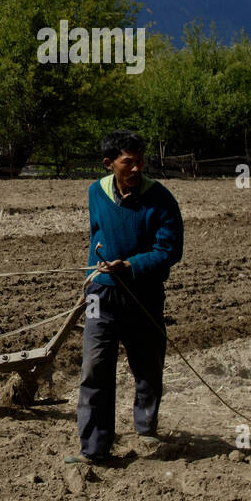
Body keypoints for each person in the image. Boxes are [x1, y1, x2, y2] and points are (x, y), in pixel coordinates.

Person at [68, 130, 183, 465]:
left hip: (143, 293)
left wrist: (131, 265)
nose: (136, 168)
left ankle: (146, 427)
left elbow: (169, 250)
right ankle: (93, 449)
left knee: (147, 366)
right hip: (101, 294)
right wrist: (94, 275)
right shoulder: (95, 192)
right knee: (94, 369)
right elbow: (96, 234)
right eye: (127, 162)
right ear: (110, 164)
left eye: (140, 161)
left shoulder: (160, 199)